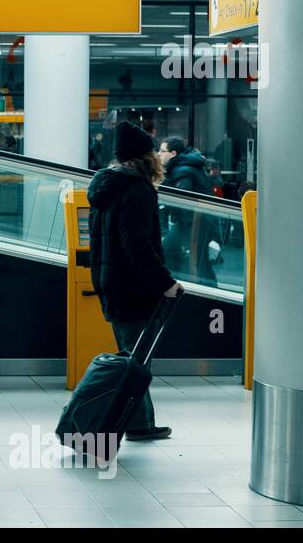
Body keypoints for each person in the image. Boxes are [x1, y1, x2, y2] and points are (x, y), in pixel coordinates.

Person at [87, 122, 182, 441]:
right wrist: (166, 282)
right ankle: (126, 424)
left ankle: (140, 423)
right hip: (134, 287)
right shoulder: (137, 189)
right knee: (136, 360)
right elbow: (137, 245)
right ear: (145, 157)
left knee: (132, 357)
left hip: (110, 283)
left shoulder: (104, 187)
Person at [158, 137, 217, 283]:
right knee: (196, 258)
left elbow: (181, 198)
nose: (158, 154)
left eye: (162, 151)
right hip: (195, 221)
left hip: (195, 222)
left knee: (196, 259)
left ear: (173, 153)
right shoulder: (183, 167)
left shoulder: (182, 170)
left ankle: (204, 292)